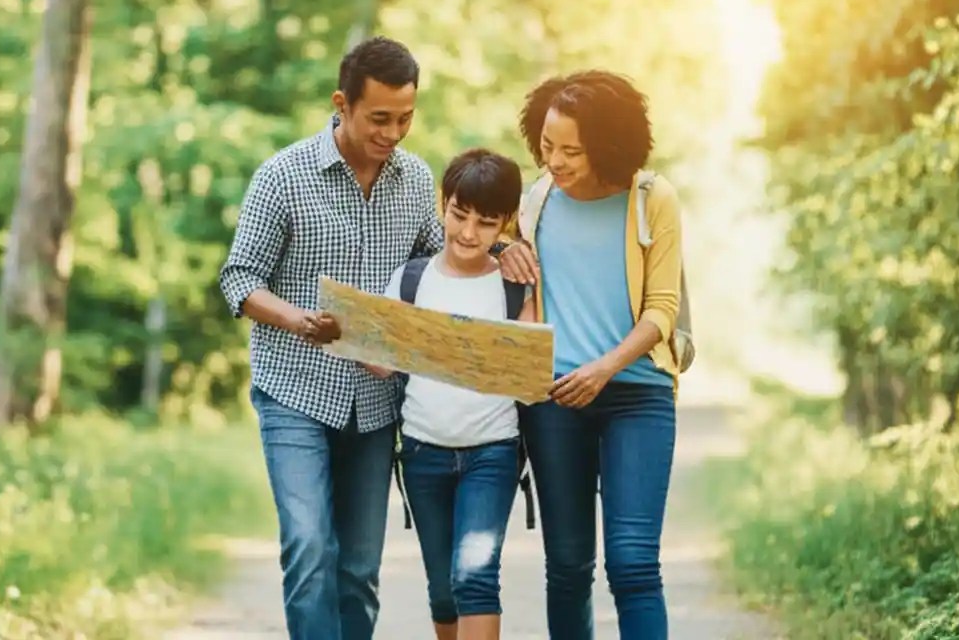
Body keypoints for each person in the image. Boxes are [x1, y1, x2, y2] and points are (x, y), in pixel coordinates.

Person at [217, 36, 444, 640]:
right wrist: (300, 322)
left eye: (405, 119)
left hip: (375, 404)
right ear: (341, 104)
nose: (393, 133)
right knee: (310, 547)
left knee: (359, 569)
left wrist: (504, 250)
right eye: (379, 118)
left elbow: (443, 270)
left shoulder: (417, 182)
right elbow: (239, 278)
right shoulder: (283, 176)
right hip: (295, 389)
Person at [497, 70, 683, 639]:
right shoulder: (536, 201)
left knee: (632, 564)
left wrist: (605, 368)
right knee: (569, 568)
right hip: (555, 401)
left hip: (637, 394)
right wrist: (506, 251)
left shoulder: (652, 200)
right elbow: (482, 249)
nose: (554, 160)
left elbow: (662, 310)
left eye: (571, 150)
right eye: (547, 145)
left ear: (609, 146)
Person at [364, 148, 530, 640]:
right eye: (459, 215)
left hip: (492, 452)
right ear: (443, 203)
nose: (467, 233)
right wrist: (357, 344)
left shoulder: (515, 286)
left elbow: (530, 367)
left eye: (485, 223)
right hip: (422, 453)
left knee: (475, 579)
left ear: (506, 223)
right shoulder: (413, 280)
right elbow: (385, 362)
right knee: (442, 589)